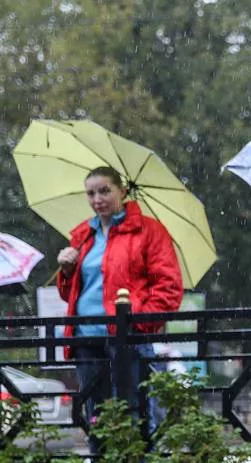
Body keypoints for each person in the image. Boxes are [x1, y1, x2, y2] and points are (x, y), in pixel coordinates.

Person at [55, 166, 183, 446]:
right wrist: (65, 272)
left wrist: (136, 324)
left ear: (122, 192)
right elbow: (72, 294)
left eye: (104, 191)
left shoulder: (149, 231)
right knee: (96, 416)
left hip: (126, 338)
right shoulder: (83, 236)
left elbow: (169, 287)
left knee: (134, 413)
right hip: (86, 338)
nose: (97, 199)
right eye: (90, 193)